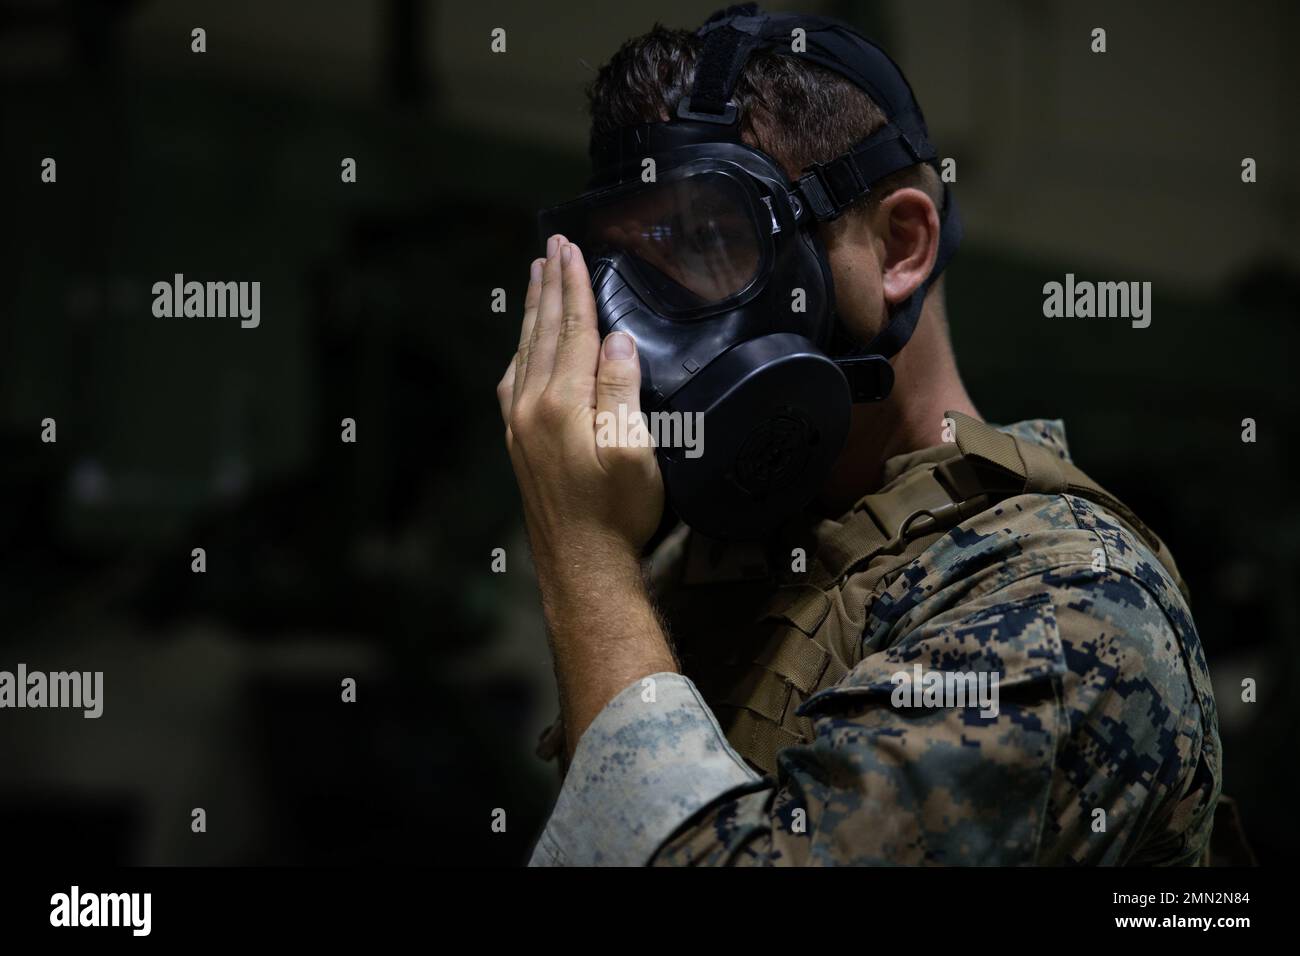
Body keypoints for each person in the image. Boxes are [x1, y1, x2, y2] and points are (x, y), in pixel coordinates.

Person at [496, 7, 1220, 866]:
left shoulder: (1063, 604)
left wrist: (585, 559)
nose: (640, 331)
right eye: (630, 263)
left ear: (899, 246)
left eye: (705, 240)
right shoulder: (710, 562)